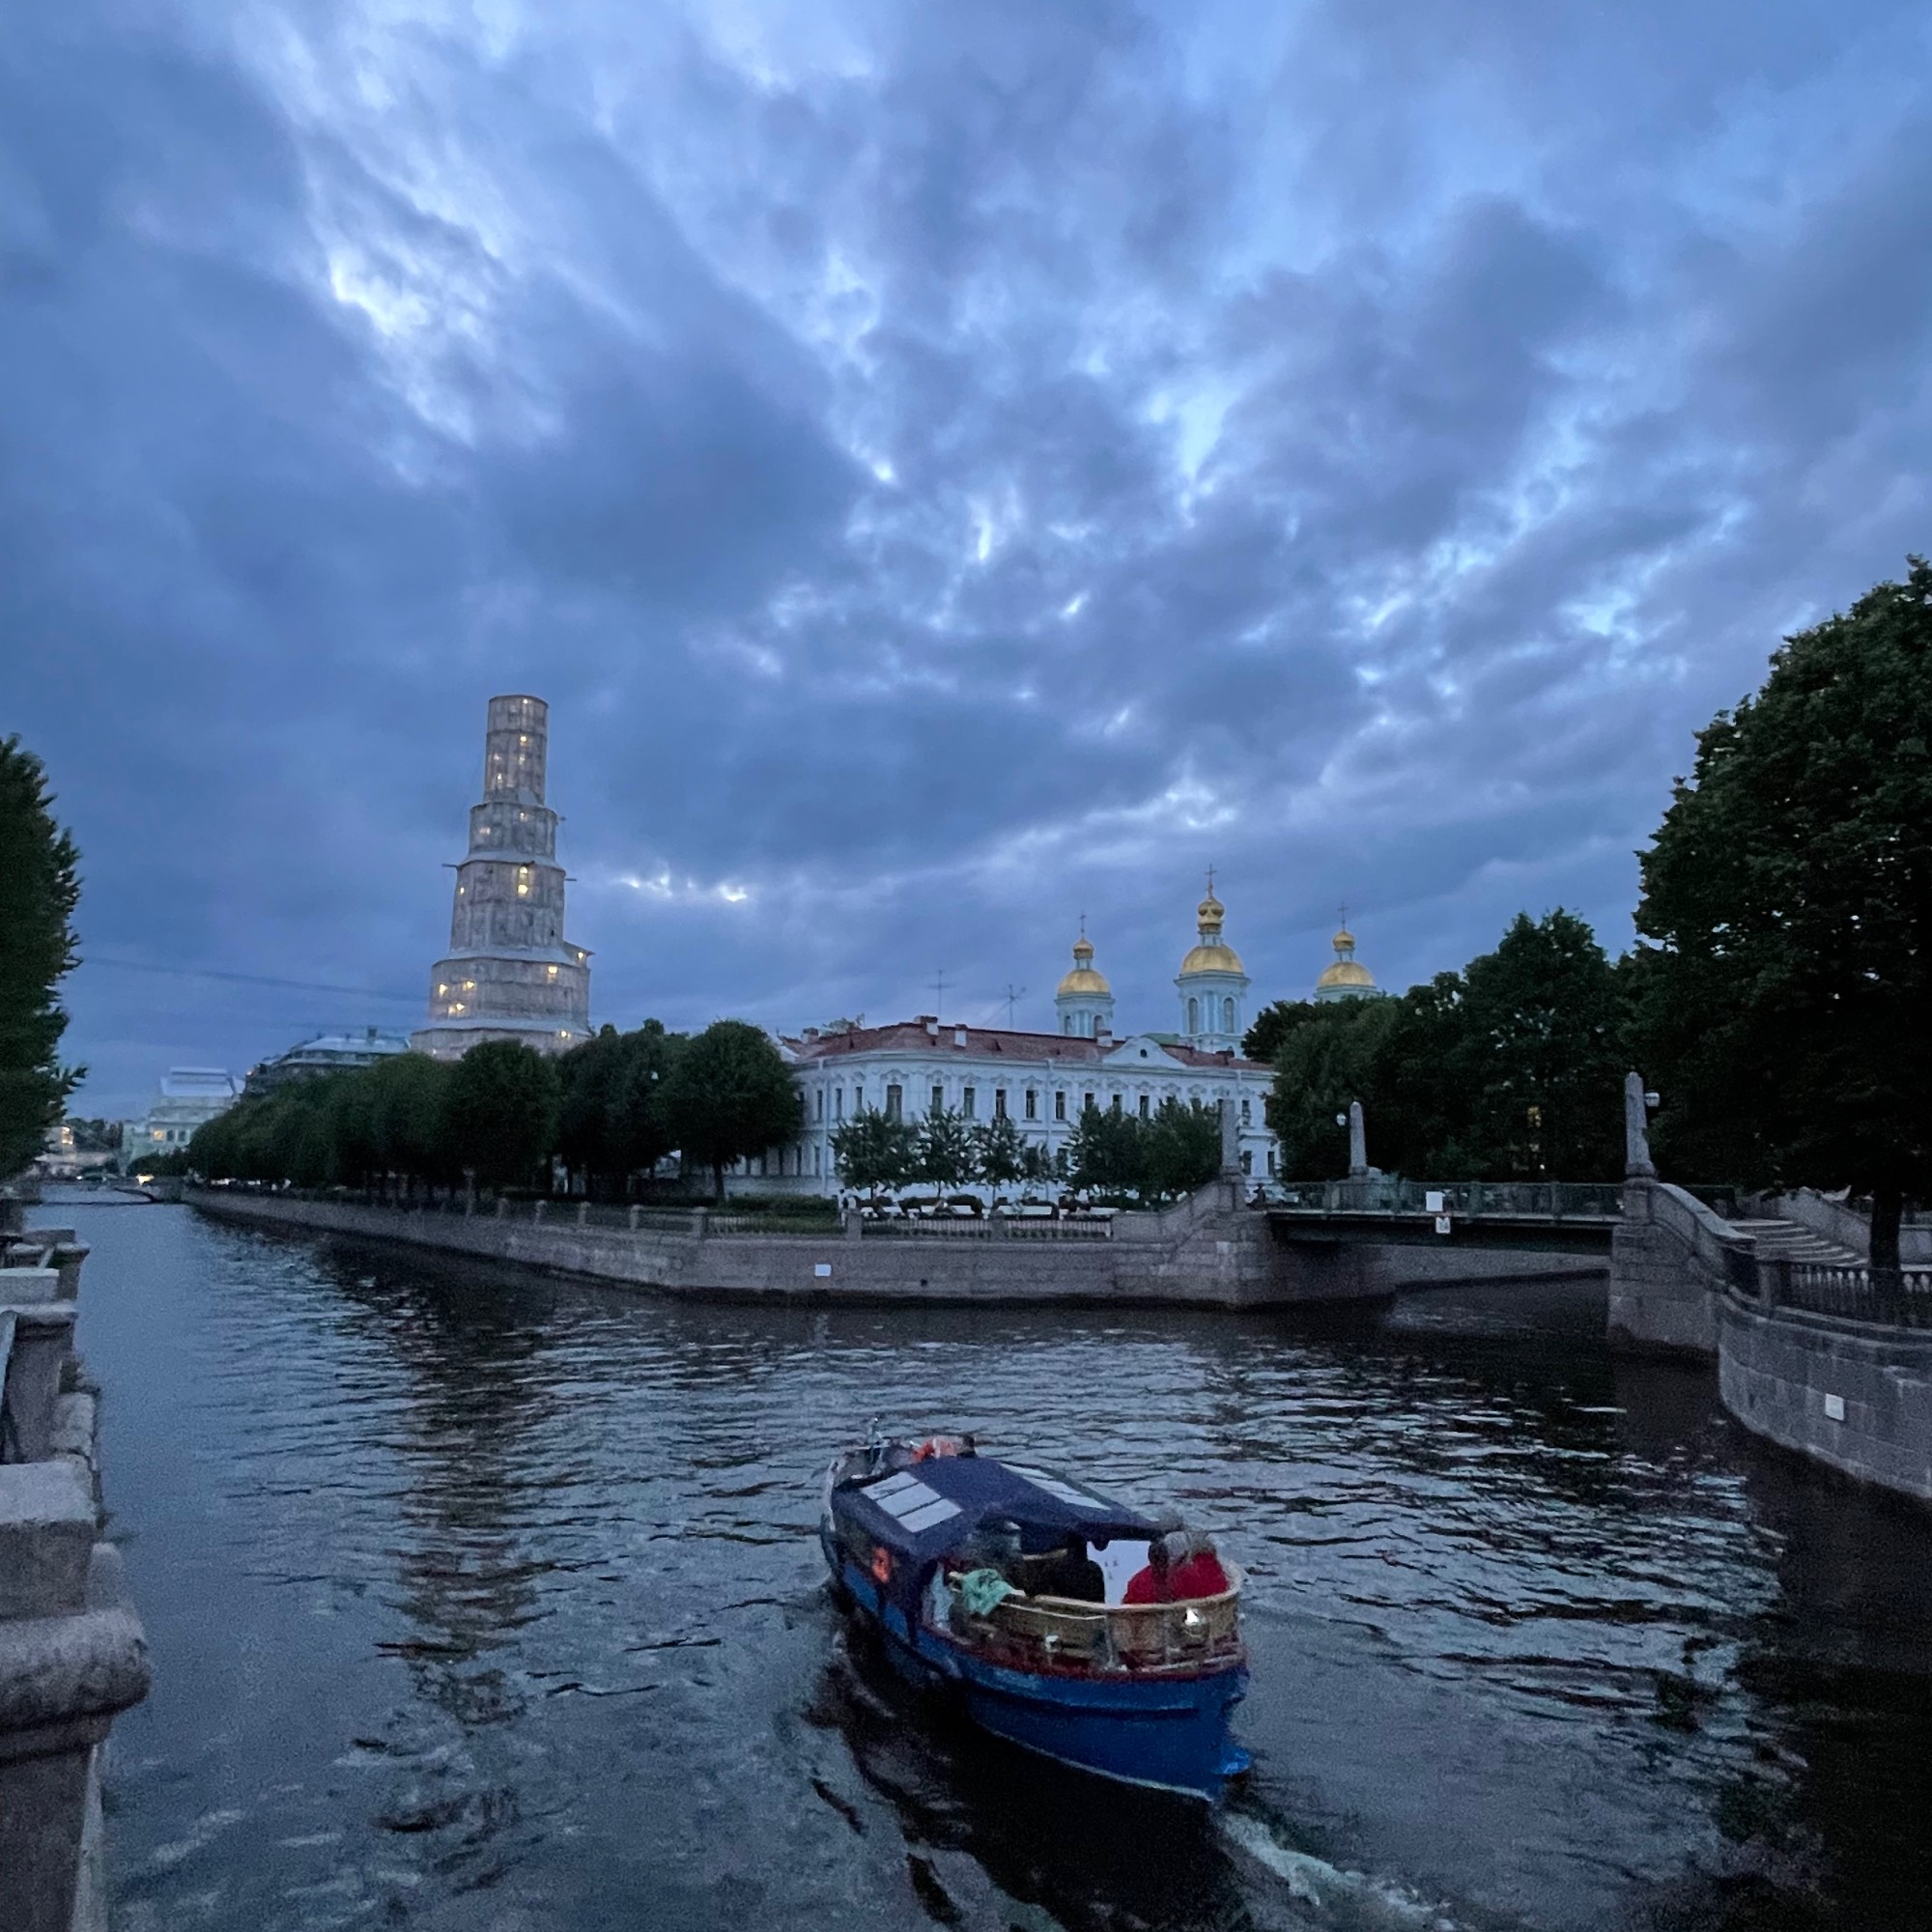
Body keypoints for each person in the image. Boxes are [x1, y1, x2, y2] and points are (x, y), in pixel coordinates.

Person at [1026, 1533, 1106, 1604]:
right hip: (1091, 1618)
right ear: (1085, 1547)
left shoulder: (1054, 1568)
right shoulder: (1094, 1570)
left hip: (1057, 1617)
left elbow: (1032, 1591)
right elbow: (1100, 1601)